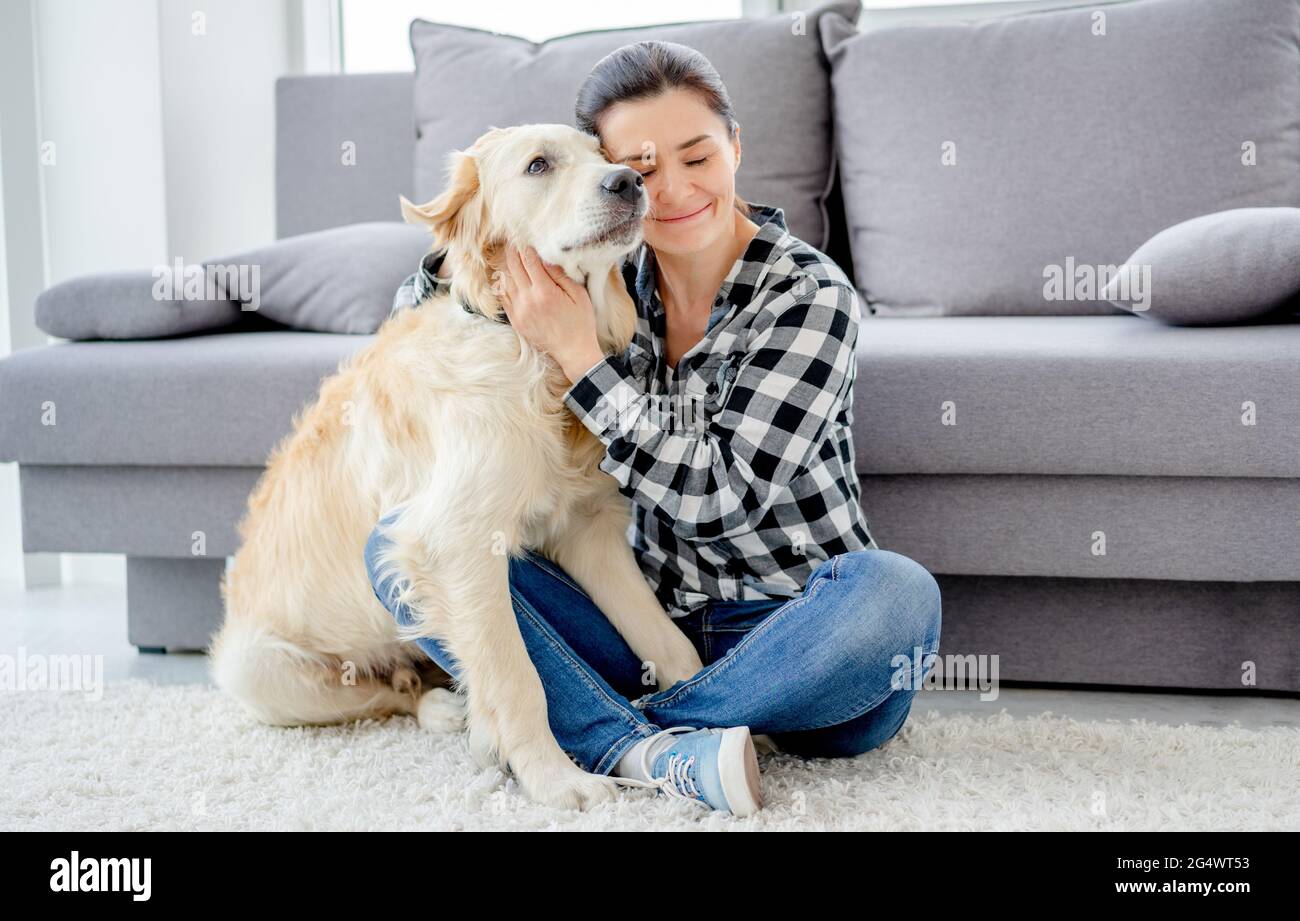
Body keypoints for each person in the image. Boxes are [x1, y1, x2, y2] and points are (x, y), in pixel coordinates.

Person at [368, 40, 941, 816]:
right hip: (637, 630)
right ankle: (671, 746)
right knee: (403, 542)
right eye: (638, 168)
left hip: (799, 639)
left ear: (736, 148)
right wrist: (459, 276)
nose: (668, 190)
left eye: (697, 157)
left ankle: (618, 738)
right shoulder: (600, 268)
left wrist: (579, 356)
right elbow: (449, 269)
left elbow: (719, 497)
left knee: (898, 597)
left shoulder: (809, 295)